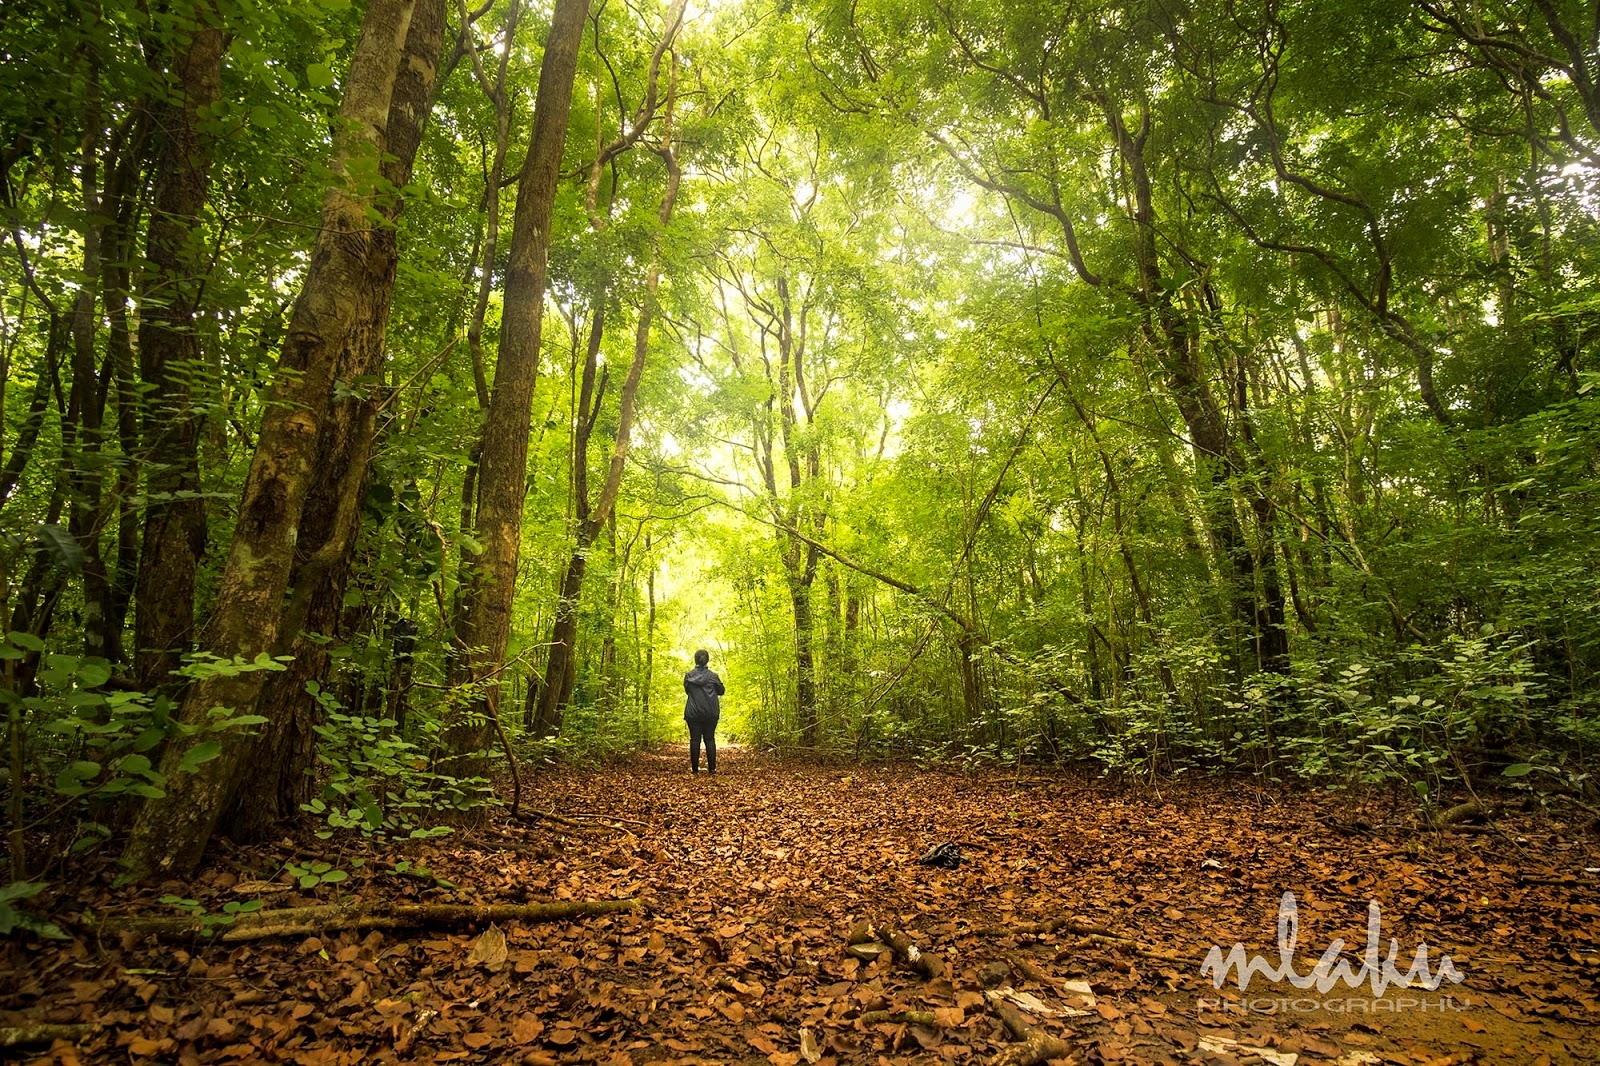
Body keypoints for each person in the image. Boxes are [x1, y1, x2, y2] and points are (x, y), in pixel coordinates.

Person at [683, 649, 725, 775]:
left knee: (694, 740)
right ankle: (712, 769)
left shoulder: (689, 676)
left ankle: (695, 769)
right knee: (710, 739)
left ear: (695, 660)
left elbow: (687, 690)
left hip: (693, 713)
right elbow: (721, 691)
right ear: (707, 660)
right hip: (710, 713)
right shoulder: (713, 676)